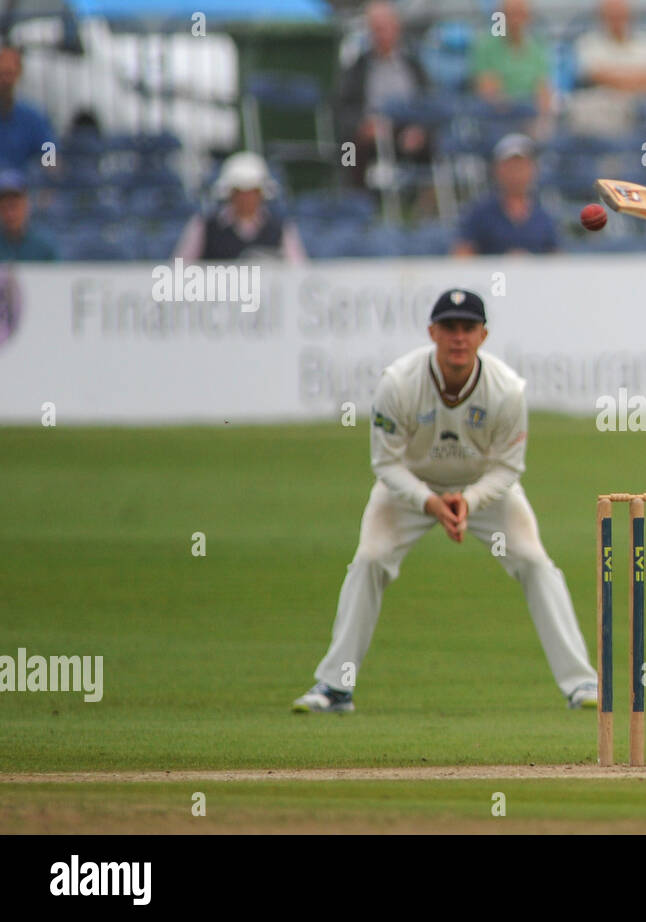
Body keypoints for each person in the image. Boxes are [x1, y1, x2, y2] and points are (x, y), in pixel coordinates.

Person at [293, 288, 599, 714]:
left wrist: (468, 501)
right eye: (450, 328)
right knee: (370, 559)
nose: (459, 337)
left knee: (533, 561)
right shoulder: (398, 383)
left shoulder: (506, 390)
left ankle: (582, 685)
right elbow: (386, 463)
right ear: (431, 332)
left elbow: (509, 468)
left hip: (484, 487)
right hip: (410, 487)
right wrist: (430, 503)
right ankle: (334, 687)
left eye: (468, 328)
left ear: (484, 335)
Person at [335, 0, 432, 186]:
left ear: (398, 28)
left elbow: (430, 102)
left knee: (434, 142)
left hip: (409, 129)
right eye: (376, 29)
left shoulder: (414, 65)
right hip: (372, 130)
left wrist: (421, 128)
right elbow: (343, 106)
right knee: (350, 148)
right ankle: (360, 202)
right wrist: (362, 125)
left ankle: (426, 202)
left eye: (386, 27)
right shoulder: (357, 68)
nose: (382, 34)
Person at [173, 151, 307, 263]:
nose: (246, 198)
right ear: (230, 193)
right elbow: (179, 269)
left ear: (261, 194)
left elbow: (298, 272)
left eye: (252, 192)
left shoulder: (280, 228)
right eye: (240, 192)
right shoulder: (204, 226)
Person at [568, 0, 646, 136]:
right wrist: (644, 78)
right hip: (607, 114)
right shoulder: (588, 44)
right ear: (601, 17)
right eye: (611, 16)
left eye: (621, 15)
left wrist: (621, 80)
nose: (617, 20)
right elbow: (596, 76)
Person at [453, 134, 558, 256]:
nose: (516, 173)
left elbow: (555, 258)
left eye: (521, 166)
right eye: (510, 166)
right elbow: (462, 255)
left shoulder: (544, 216)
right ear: (497, 170)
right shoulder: (479, 213)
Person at [470, 0, 554, 122]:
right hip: (498, 117)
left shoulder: (538, 48)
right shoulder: (486, 47)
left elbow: (543, 91)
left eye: (520, 14)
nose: (515, 20)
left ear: (528, 17)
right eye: (510, 14)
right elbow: (488, 92)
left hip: (530, 116)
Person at [0, 45, 54, 171]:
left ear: (18, 74)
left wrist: (48, 178)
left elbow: (50, 150)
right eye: (1, 74)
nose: (5, 81)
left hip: (23, 186)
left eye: (9, 74)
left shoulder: (33, 117)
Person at [0, 169, 58, 261]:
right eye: (4, 207)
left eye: (14, 206)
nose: (10, 214)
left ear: (27, 205)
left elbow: (60, 273)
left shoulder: (45, 244)